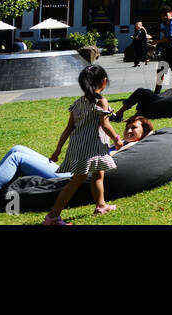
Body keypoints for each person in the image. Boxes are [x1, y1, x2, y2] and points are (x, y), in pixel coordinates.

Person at [0, 115, 153, 217]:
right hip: (70, 167)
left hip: (73, 174)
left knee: (17, 158)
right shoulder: (119, 143)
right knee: (17, 148)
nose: (128, 131)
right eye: (128, 127)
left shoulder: (129, 149)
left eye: (134, 129)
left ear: (143, 134)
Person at [43, 65, 123, 224]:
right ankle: (52, 216)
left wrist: (57, 150)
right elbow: (105, 125)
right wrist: (116, 139)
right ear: (104, 81)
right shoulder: (101, 101)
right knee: (77, 181)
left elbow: (68, 128)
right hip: (90, 148)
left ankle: (101, 205)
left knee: (99, 174)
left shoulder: (78, 103)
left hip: (80, 146)